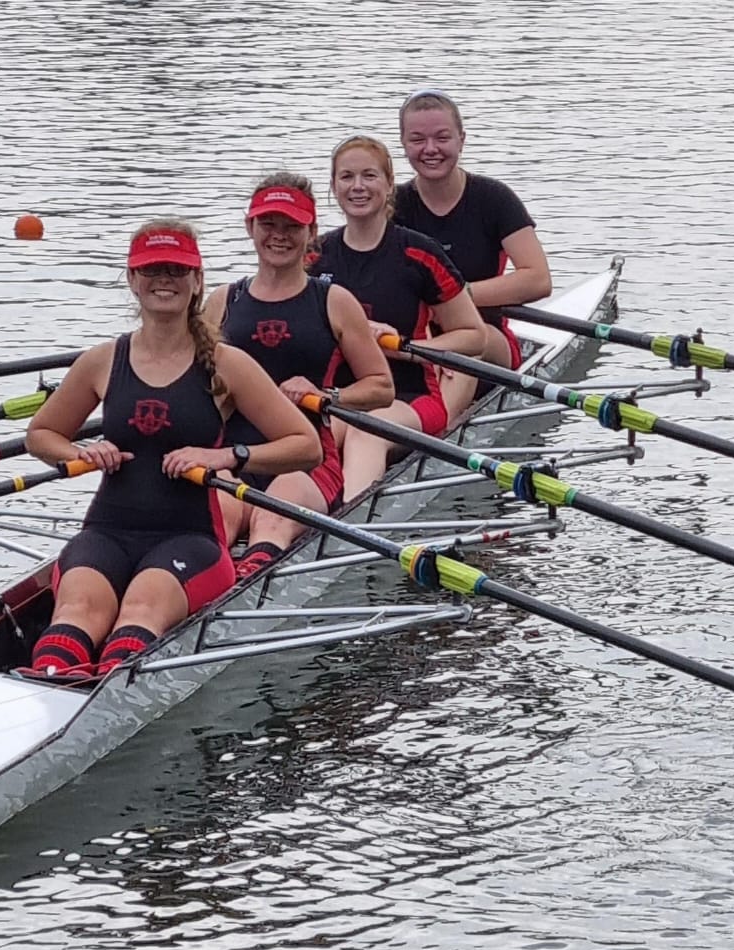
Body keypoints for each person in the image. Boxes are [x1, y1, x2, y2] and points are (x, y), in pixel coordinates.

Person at [24, 219, 321, 678]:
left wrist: (229, 456)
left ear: (197, 281)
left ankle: (105, 692)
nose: (165, 280)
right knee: (75, 613)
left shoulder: (227, 364)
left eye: (177, 271)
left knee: (140, 610)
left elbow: (306, 446)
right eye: (153, 270)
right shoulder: (102, 361)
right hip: (107, 531)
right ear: (132, 280)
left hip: (192, 539)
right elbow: (41, 434)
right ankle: (46, 691)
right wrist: (79, 454)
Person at [203, 174, 394, 577]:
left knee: (277, 510)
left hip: (308, 460)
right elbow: (190, 383)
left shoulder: (334, 301)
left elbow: (381, 387)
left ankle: (250, 582)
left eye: (292, 226)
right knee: (215, 514)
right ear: (249, 227)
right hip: (230, 455)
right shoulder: (223, 300)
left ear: (311, 233)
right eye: (268, 224)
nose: (279, 236)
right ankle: (204, 580)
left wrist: (326, 394)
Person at [311, 134, 487, 499]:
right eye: (346, 177)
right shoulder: (315, 257)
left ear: (389, 185)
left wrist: (409, 348)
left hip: (410, 395)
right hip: (338, 393)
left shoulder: (419, 253)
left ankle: (352, 528)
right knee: (313, 432)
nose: (358, 187)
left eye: (369, 176)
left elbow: (474, 336)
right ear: (333, 186)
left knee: (366, 429)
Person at [393, 89, 552, 411]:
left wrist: (454, 299)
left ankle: (437, 434)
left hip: (486, 337)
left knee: (462, 346)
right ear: (403, 143)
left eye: (442, 138)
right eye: (417, 140)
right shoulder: (391, 206)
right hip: (410, 341)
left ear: (461, 140)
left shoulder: (494, 199)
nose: (430, 149)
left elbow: (537, 280)